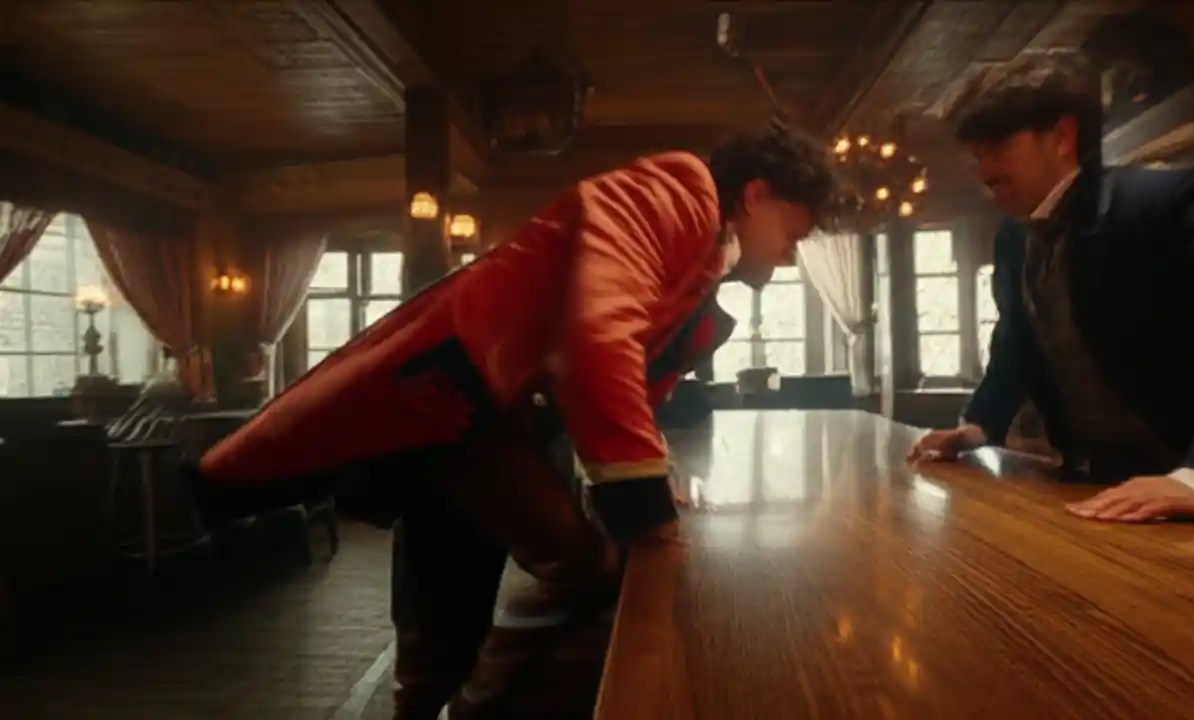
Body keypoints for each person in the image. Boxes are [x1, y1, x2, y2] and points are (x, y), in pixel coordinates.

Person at [196, 126, 840, 718]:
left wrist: (651, 470)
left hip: (490, 419)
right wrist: (645, 507)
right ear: (755, 195)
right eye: (795, 230)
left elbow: (638, 371)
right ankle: (476, 709)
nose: (789, 255)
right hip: (460, 408)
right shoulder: (676, 190)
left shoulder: (702, 253)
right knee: (577, 567)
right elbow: (599, 337)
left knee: (444, 608)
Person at [908, 53, 1194, 523]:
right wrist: (976, 427)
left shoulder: (1169, 201)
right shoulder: (1014, 236)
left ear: (1062, 136)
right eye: (978, 154)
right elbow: (1019, 340)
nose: (984, 171)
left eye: (998, 146)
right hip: (1102, 491)